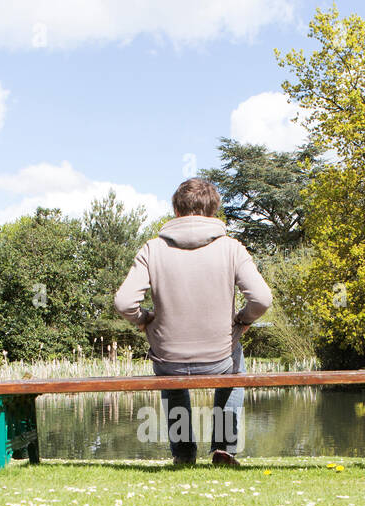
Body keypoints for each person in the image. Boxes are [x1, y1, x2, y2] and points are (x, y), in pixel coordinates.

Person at [114, 178, 272, 465]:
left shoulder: (151, 249)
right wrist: (243, 321)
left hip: (169, 358)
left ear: (176, 210)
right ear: (213, 210)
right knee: (235, 370)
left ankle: (184, 453)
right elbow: (261, 299)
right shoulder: (232, 248)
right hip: (220, 358)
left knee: (171, 379)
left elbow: (124, 302)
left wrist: (143, 321)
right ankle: (224, 448)